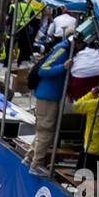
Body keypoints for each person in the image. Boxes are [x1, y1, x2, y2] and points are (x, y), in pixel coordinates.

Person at [27, 35, 76, 174]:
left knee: (42, 130)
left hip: (49, 96)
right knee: (46, 132)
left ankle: (30, 157)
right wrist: (63, 67)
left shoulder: (62, 50)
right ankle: (36, 164)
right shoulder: (62, 51)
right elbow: (44, 69)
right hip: (47, 97)